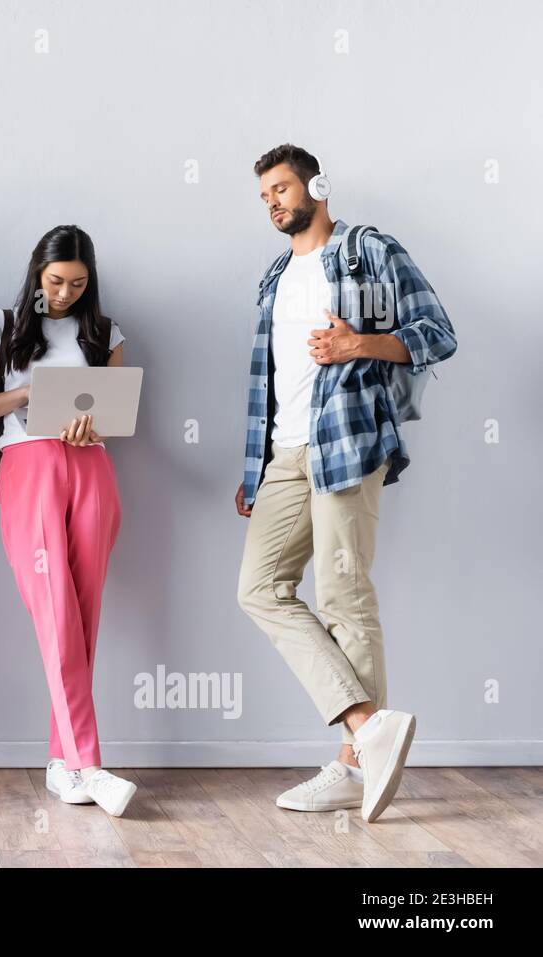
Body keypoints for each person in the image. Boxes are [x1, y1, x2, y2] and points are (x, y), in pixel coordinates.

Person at [234, 145, 457, 822]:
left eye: (281, 187)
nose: (273, 201)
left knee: (342, 594)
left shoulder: (367, 250)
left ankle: (354, 765)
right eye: (264, 194)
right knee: (259, 587)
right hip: (284, 454)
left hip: (347, 442)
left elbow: (437, 332)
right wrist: (255, 469)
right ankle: (367, 725)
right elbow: (267, 383)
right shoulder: (274, 275)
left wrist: (359, 343)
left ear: (316, 185)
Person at [0, 224, 137, 818]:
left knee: (83, 616)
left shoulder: (106, 333)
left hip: (92, 468)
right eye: (56, 281)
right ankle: (88, 762)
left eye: (78, 284)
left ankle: (62, 764)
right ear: (38, 274)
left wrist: (90, 422)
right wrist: (30, 393)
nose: (64, 293)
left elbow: (116, 413)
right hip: (27, 465)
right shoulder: (3, 326)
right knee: (55, 608)